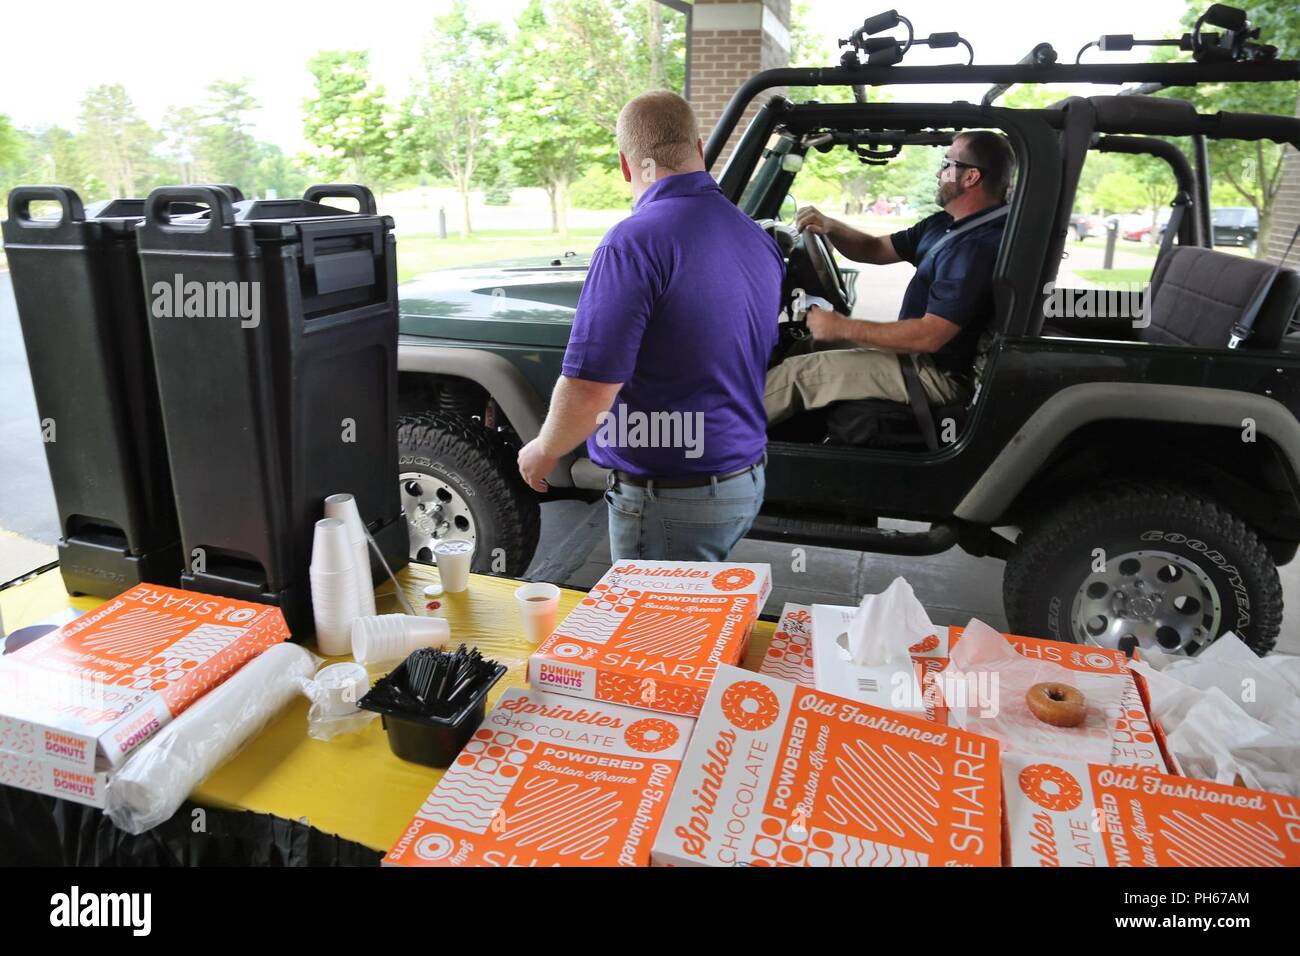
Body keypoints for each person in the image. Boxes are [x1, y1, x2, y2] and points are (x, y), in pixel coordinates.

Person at [517, 90, 783, 561]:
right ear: (699, 149)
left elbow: (590, 389)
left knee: (654, 631)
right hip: (745, 479)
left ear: (626, 165)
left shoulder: (632, 243)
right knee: (695, 619)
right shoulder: (755, 237)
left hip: (673, 495)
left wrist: (544, 448)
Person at [765, 130, 1016, 425]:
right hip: (917, 357)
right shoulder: (946, 224)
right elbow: (875, 249)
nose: (939, 172)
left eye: (947, 164)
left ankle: (706, 441)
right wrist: (830, 226)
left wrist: (843, 327)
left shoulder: (976, 246)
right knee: (807, 346)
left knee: (799, 374)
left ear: (971, 177)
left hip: (937, 374)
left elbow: (929, 336)